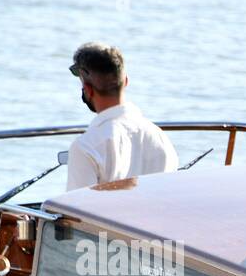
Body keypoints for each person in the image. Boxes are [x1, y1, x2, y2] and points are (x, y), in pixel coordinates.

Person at [66, 42, 178, 191]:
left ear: (88, 90)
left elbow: (76, 210)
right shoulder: (160, 138)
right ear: (125, 82)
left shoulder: (86, 147)